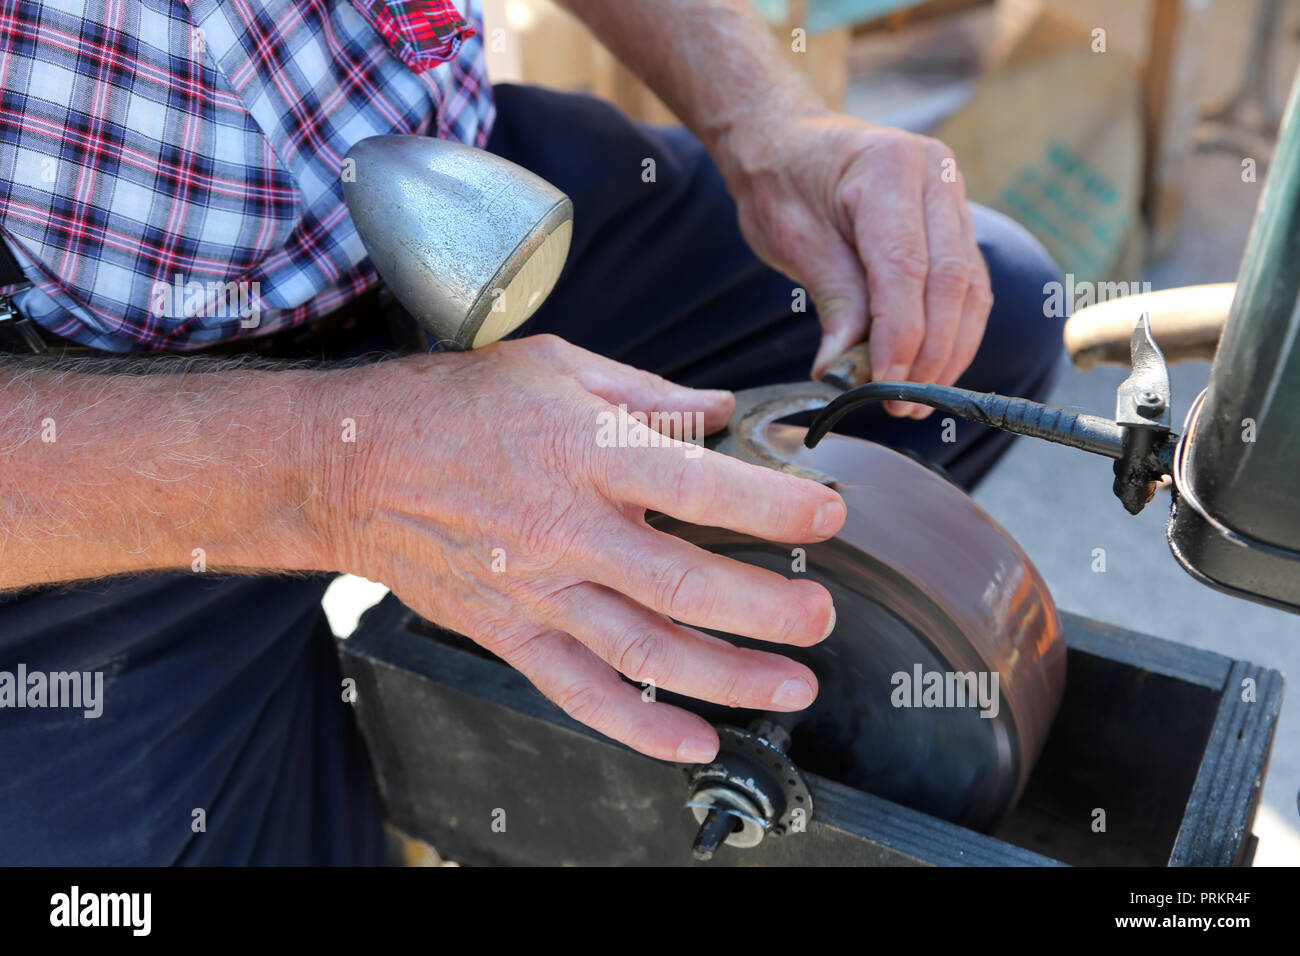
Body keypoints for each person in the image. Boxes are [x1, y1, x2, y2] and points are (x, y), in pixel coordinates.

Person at [0, 0, 1063, 864]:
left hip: (467, 217)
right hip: (89, 448)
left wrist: (764, 126)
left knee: (977, 326)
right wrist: (341, 472)